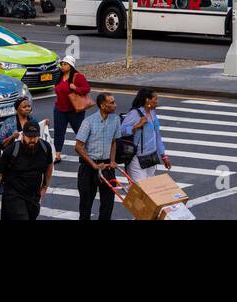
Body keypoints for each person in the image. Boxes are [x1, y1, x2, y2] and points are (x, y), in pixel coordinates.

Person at [0, 121, 53, 220]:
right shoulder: (12, 150)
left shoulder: (45, 148)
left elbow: (49, 167)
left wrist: (45, 187)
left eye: (35, 137)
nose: (32, 140)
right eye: (29, 137)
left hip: (33, 196)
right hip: (13, 195)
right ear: (23, 135)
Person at [75, 92, 120, 221]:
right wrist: (94, 165)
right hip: (89, 166)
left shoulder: (115, 119)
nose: (115, 105)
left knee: (108, 203)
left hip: (106, 166)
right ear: (103, 106)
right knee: (86, 203)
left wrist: (112, 161)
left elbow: (113, 142)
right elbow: (78, 146)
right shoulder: (88, 122)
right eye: (111, 103)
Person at [119, 87, 171, 182]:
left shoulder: (152, 113)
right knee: (142, 189)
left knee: (148, 189)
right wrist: (137, 126)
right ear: (148, 100)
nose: (157, 102)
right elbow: (120, 131)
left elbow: (157, 135)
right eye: (155, 99)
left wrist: (163, 156)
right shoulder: (135, 114)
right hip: (137, 159)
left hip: (151, 158)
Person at [52, 56, 92, 163]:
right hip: (60, 109)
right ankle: (57, 154)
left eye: (65, 64)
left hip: (74, 110)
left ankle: (86, 152)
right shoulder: (59, 76)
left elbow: (87, 89)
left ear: (71, 66)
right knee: (59, 132)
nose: (63, 66)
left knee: (80, 132)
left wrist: (76, 88)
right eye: (62, 64)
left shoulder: (78, 77)